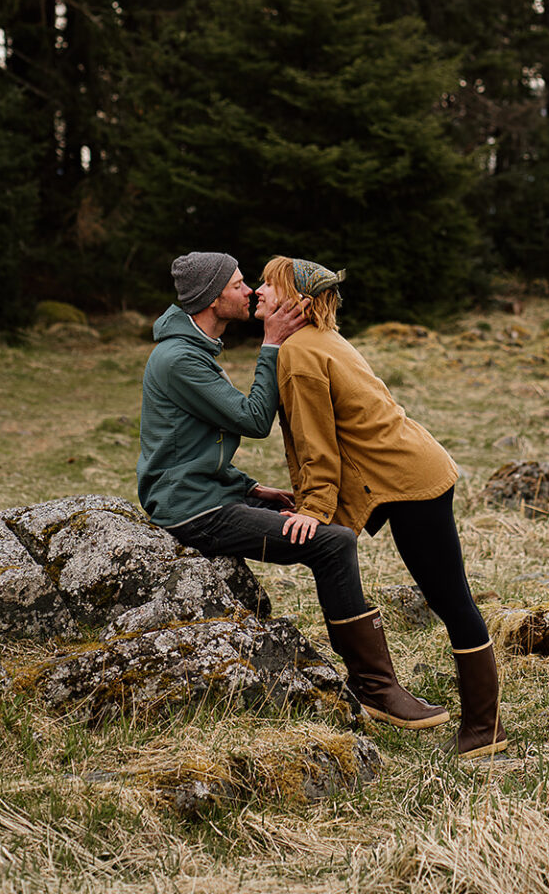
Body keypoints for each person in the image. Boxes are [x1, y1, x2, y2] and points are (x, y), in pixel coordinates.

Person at [137, 250, 447, 730]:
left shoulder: (194, 350)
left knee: (324, 535)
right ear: (213, 297)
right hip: (191, 511)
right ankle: (375, 689)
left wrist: (250, 487)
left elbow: (191, 449)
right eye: (240, 283)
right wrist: (272, 344)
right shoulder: (178, 358)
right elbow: (252, 420)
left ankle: (376, 684)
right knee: (332, 543)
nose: (250, 291)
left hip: (209, 495)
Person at [255, 255, 508, 760]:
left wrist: (314, 509)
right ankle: (395, 697)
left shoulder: (300, 354)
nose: (259, 290)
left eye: (269, 283)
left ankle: (485, 729)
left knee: (451, 600)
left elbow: (317, 445)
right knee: (450, 596)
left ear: (298, 302)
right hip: (409, 470)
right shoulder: (321, 340)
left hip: (409, 479)